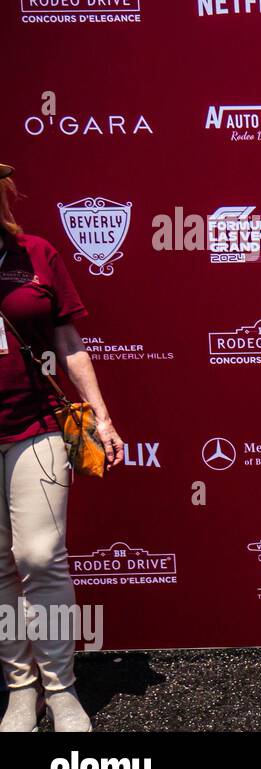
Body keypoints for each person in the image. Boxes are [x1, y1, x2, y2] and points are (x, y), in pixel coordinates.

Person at [0, 162, 124, 733]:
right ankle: (21, 690)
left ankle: (62, 688)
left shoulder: (35, 253)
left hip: (36, 426)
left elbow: (69, 342)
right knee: (1, 569)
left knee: (40, 559)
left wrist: (100, 416)